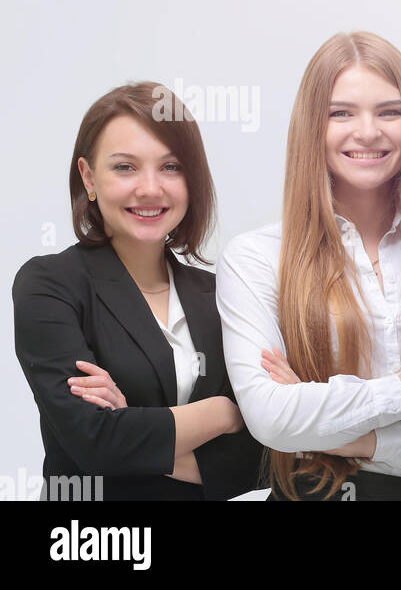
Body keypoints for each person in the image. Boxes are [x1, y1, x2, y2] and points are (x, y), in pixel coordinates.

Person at [216, 31, 401, 500]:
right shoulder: (258, 257)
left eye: (390, 111)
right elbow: (271, 418)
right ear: (312, 127)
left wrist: (334, 432)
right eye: (340, 113)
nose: (368, 131)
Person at [13, 82, 262, 500]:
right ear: (88, 177)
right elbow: (95, 443)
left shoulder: (224, 295)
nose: (150, 188)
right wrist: (225, 413)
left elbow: (264, 460)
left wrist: (132, 426)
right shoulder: (50, 284)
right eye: (125, 167)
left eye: (170, 167)